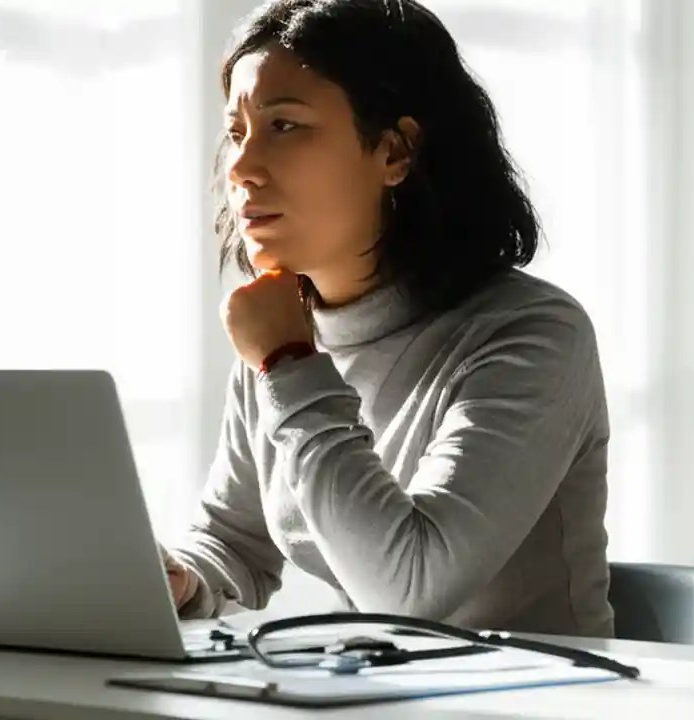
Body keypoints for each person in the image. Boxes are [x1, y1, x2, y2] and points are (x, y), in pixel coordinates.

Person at [164, 0, 613, 637]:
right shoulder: (286, 325)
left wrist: (289, 366)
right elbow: (234, 542)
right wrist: (180, 578)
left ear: (396, 152)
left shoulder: (534, 334)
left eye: (285, 126)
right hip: (372, 697)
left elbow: (408, 589)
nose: (239, 168)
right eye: (237, 133)